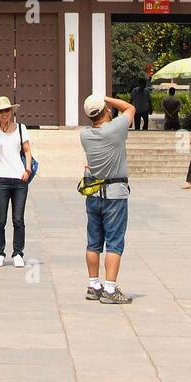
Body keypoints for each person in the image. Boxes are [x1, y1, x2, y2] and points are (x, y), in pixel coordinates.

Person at [80, 93, 134, 304]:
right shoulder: (115, 129)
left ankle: (94, 285)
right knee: (114, 243)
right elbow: (130, 108)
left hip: (93, 194)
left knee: (93, 242)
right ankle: (110, 289)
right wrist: (105, 97)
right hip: (115, 194)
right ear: (105, 110)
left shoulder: (85, 135)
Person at [0, 95, 32, 267]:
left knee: (18, 219)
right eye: (1, 111)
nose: (4, 114)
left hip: (19, 179)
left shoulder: (21, 128)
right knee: (0, 219)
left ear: (12, 111)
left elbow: (27, 151)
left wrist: (28, 169)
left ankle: (18, 253)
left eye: (7, 110)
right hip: (1, 180)